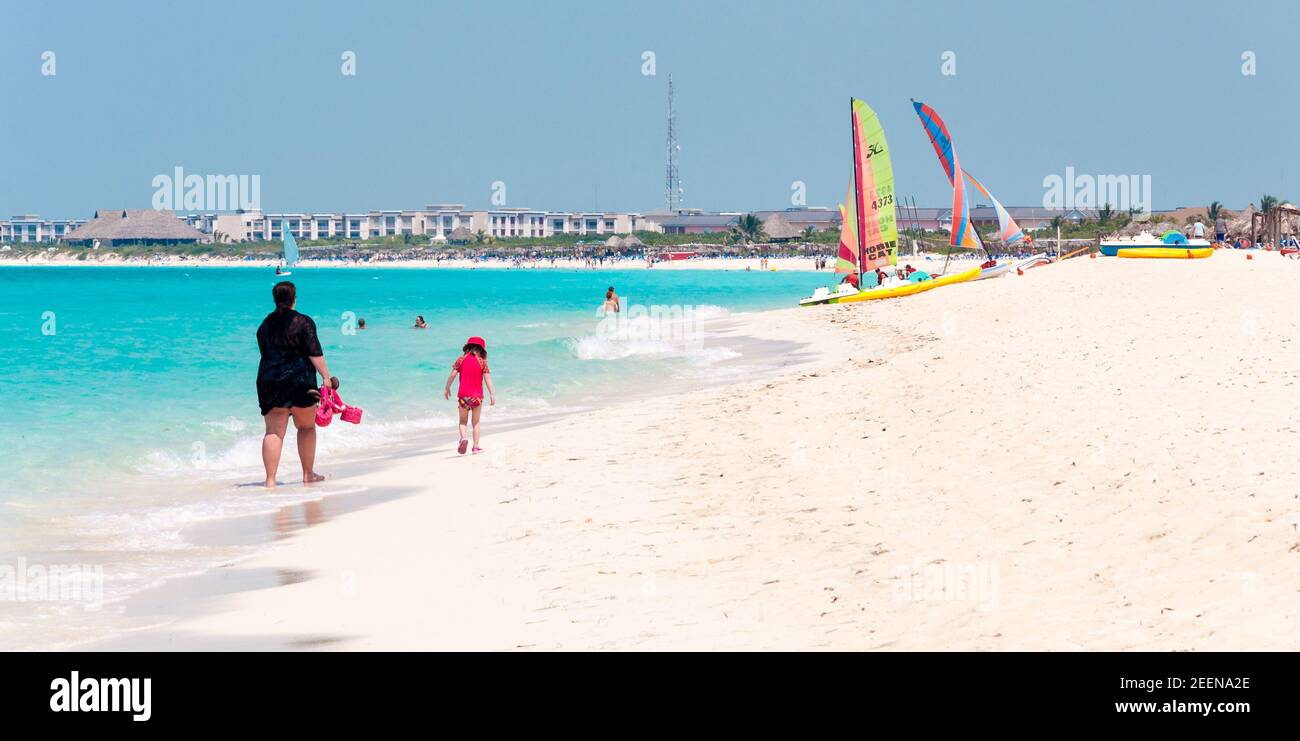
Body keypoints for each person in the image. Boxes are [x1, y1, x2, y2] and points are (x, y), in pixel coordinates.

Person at [257, 281, 333, 488]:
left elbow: (266, 352)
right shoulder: (303, 321)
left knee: (273, 432)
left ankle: (270, 480)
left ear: (275, 299)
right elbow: (314, 351)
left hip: (269, 381)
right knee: (306, 427)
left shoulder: (264, 325)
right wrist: (326, 376)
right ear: (294, 298)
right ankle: (308, 474)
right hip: (300, 380)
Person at [444, 336, 496, 455]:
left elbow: (452, 375)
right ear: (482, 350)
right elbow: (487, 378)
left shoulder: (461, 360)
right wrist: (492, 394)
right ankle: (476, 447)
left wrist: (447, 388)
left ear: (467, 347)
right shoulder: (482, 362)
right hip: (477, 397)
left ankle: (463, 438)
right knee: (476, 422)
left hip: (463, 397)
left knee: (463, 421)